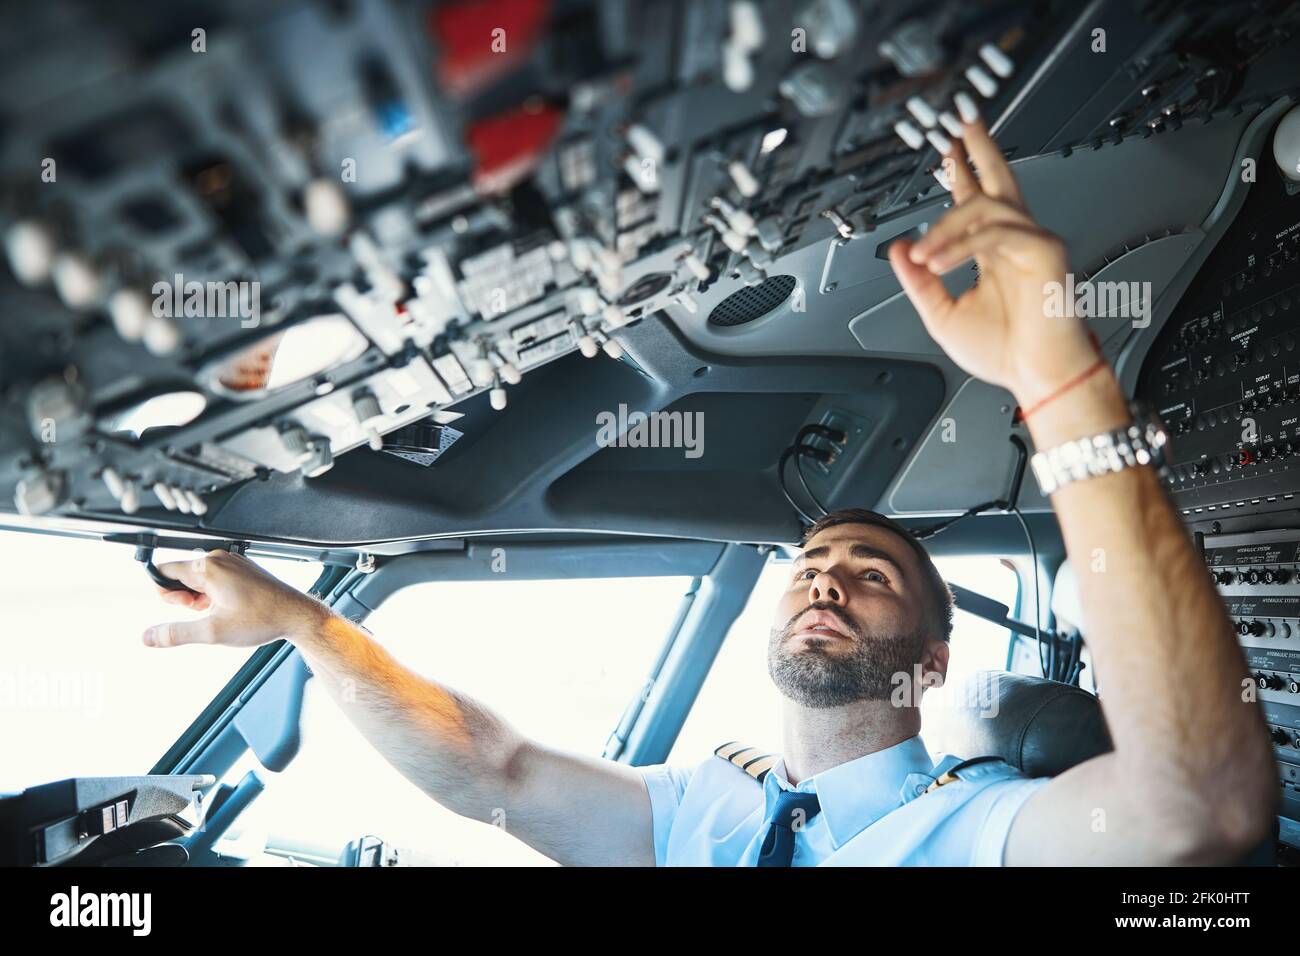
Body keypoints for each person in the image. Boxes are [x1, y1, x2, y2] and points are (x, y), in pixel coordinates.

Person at [142, 117, 1278, 866]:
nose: (823, 582)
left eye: (871, 575)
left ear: (932, 663)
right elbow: (493, 767)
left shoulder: (980, 830)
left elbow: (1205, 809)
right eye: (811, 564)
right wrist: (302, 621)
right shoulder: (700, 804)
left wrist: (1060, 377)